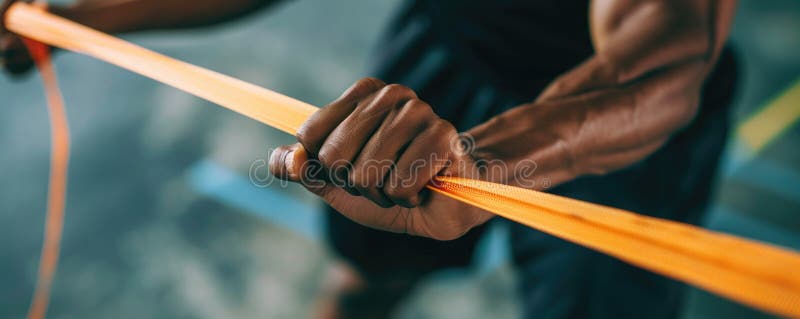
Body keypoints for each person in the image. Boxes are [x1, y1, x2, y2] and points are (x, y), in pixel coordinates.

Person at [2, 0, 738, 318]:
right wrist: (86, 18)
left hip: (612, 122)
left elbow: (662, 62)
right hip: (445, 56)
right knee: (363, 282)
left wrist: (490, 159)